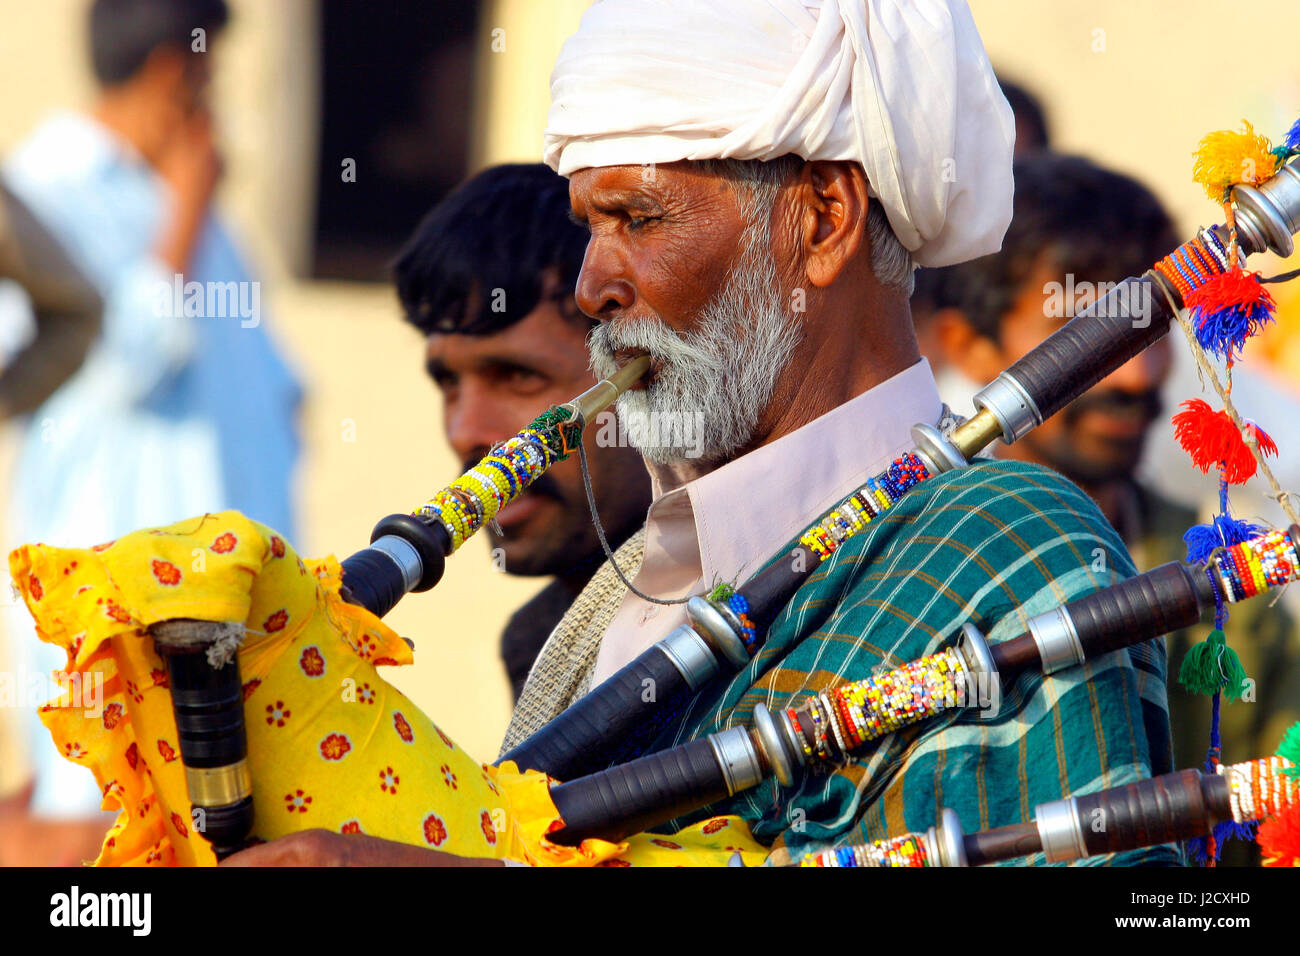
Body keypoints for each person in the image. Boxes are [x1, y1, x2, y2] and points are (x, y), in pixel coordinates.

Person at [229, 0, 1177, 867]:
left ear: (823, 219)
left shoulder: (1008, 552)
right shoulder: (619, 594)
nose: (594, 285)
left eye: (637, 219)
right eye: (589, 227)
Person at [920, 151, 1300, 862]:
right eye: (1088, 334)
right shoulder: (914, 574)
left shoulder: (1231, 580)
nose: (1138, 372)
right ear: (967, 346)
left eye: (1152, 328)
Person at [0, 0, 301, 840]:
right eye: (208, 74)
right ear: (176, 70)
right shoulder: (40, 194)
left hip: (230, 615)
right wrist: (185, 213)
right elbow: (97, 370)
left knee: (230, 829)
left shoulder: (197, 206)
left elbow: (271, 387)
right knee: (101, 829)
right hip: (117, 596)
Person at [392, 163, 651, 700]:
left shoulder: (766, 608)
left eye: (517, 376)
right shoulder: (538, 642)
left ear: (645, 372)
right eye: (450, 385)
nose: (467, 432)